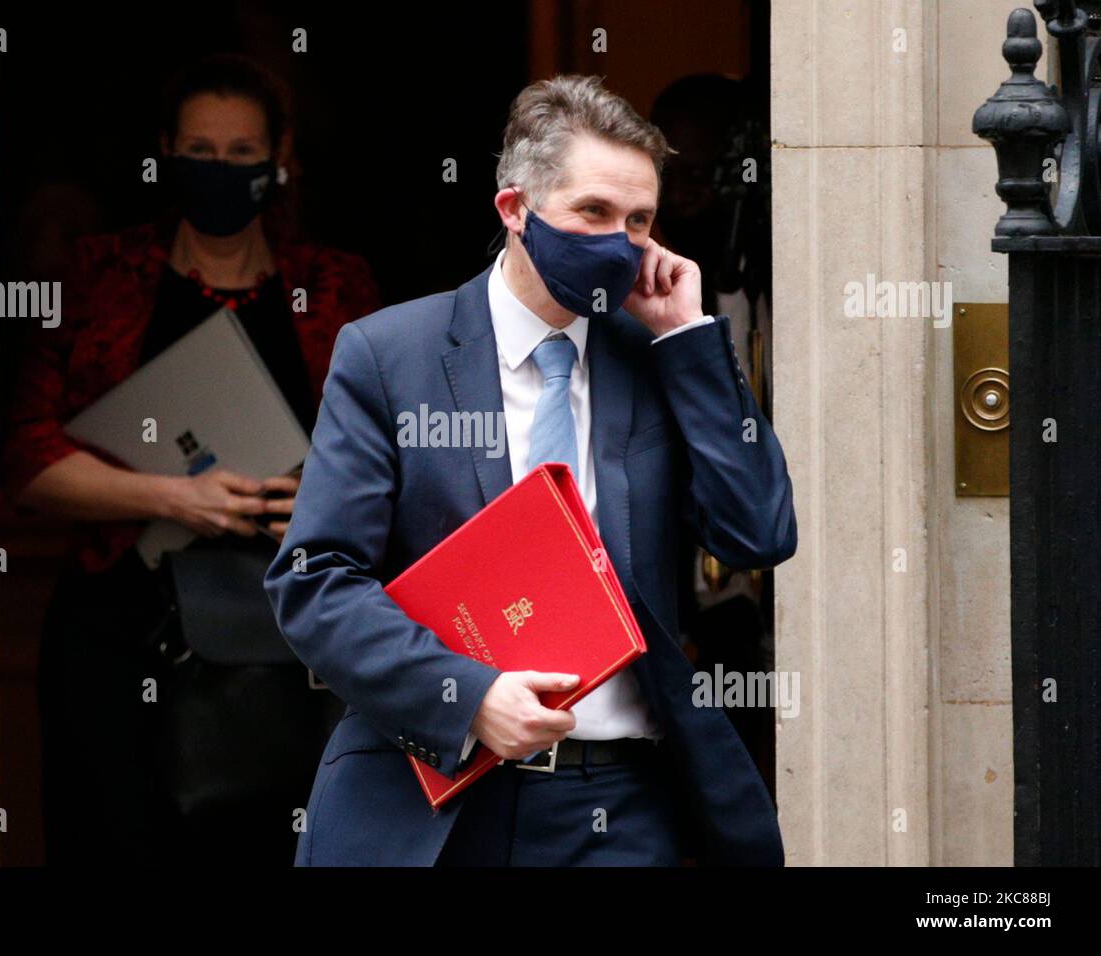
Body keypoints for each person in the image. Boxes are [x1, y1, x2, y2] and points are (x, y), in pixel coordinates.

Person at [264, 74, 797, 867]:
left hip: (620, 806)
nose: (619, 241)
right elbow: (315, 581)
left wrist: (688, 340)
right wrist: (467, 698)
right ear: (514, 209)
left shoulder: (660, 361)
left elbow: (758, 534)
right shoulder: (390, 357)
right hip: (434, 802)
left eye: (639, 220)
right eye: (593, 212)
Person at [1, 53, 381, 865]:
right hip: (118, 630)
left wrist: (324, 495)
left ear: (280, 159)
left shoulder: (333, 283)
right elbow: (29, 456)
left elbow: (392, 452)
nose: (220, 170)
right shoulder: (98, 275)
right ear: (166, 151)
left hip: (286, 630)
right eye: (199, 151)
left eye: (243, 153)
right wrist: (177, 498)